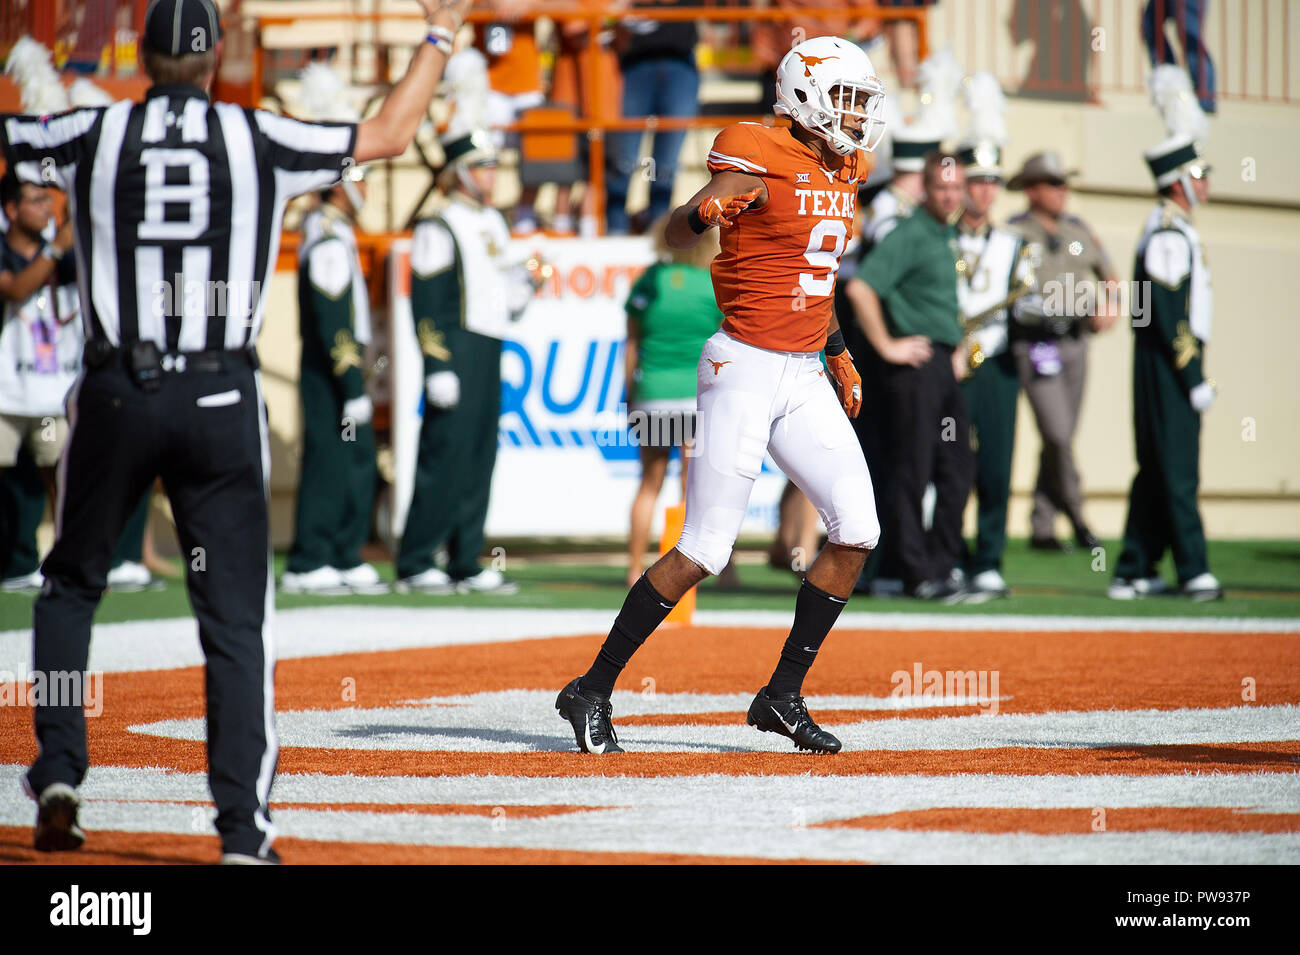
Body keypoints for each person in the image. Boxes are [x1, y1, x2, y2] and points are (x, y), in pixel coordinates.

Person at [1, 0, 475, 862]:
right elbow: (387, 136)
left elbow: (16, 137)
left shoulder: (90, 133)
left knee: (71, 586)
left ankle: (63, 762)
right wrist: (439, 36)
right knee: (233, 618)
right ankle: (241, 829)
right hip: (219, 397)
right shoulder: (256, 134)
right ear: (216, 55)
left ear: (142, 56)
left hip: (113, 390)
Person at [556, 35, 885, 756]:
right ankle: (592, 688)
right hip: (742, 365)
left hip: (802, 370)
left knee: (857, 528)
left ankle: (781, 695)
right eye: (850, 98)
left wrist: (838, 350)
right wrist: (703, 214)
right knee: (705, 547)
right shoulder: (753, 150)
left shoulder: (846, 165)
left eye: (863, 100)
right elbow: (676, 229)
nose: (860, 114)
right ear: (806, 96)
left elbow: (813, 273)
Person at [398, 75, 544, 595]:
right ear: (460, 172)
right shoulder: (438, 226)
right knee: (445, 455)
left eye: (493, 165)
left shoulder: (494, 224)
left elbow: (504, 296)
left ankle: (464, 557)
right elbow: (429, 304)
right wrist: (437, 365)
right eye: (482, 166)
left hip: (487, 344)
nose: (491, 174)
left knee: (480, 454)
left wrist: (525, 287)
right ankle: (417, 558)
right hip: (455, 348)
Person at [846, 150, 972, 602]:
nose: (951, 195)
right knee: (911, 471)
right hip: (913, 368)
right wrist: (887, 346)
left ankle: (939, 567)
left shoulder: (944, 234)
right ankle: (914, 574)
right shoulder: (910, 232)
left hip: (942, 365)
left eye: (957, 187)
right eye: (942, 188)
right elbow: (861, 288)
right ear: (925, 188)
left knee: (957, 470)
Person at [282, 64, 384, 596]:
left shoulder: (334, 233)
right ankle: (311, 557)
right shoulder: (325, 237)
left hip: (341, 369)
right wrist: (350, 384)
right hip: (330, 372)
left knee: (352, 460)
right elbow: (332, 318)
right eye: (360, 176)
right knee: (331, 459)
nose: (366, 186)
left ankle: (342, 553)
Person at [1109, 131, 1222, 601]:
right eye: (1198, 174)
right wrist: (1193, 377)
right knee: (1177, 468)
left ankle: (1135, 567)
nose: (1206, 182)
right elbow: (1170, 314)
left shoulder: (1174, 228)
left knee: (1157, 467)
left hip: (1168, 364)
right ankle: (1193, 569)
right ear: (1178, 182)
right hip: (1167, 365)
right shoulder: (1168, 235)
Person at [1005, 151, 1117, 552]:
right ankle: (1077, 514)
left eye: (1063, 183)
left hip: (1075, 343)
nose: (1061, 192)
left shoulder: (1079, 229)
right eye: (1053, 184)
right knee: (1058, 433)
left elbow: (1111, 277)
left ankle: (1042, 524)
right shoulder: (1014, 232)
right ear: (1032, 190)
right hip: (1036, 343)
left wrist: (1111, 305)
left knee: (1062, 436)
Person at [623, 214, 722, 587]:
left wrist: (631, 396)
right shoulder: (711, 282)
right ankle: (688, 576)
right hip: (695, 396)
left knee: (649, 482)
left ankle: (635, 568)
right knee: (692, 488)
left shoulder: (650, 279)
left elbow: (631, 344)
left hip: (651, 393)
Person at [954, 133, 1031, 599]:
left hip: (996, 365)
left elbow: (1028, 308)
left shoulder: (1011, 243)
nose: (984, 191)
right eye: (976, 180)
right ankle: (948, 556)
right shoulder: (941, 237)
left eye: (992, 182)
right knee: (948, 467)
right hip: (950, 365)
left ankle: (989, 560)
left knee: (996, 467)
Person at [0, 174, 81, 510]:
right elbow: (16, 289)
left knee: (60, 481)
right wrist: (57, 247)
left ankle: (61, 558)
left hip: (53, 399)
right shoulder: (8, 250)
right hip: (6, 397)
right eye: (37, 200)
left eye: (48, 199)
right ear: (12, 210)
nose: (47, 208)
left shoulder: (72, 258)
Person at [606, 0, 700, 235]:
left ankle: (658, 232)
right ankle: (614, 228)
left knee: (666, 163)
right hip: (635, 63)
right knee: (623, 158)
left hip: (679, 63)